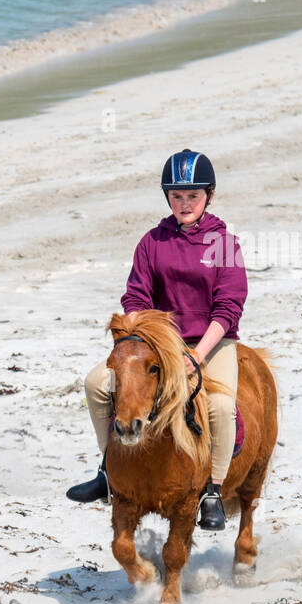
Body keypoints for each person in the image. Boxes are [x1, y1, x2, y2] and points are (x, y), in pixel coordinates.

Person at [67, 149, 247, 530]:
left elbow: (228, 307)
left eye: (193, 196)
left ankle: (213, 491)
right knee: (96, 384)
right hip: (159, 345)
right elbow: (136, 297)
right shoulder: (151, 242)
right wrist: (140, 331)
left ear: (209, 196)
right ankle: (108, 472)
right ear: (167, 197)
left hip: (212, 343)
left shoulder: (224, 243)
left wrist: (197, 356)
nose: (185, 204)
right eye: (177, 196)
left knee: (220, 407)